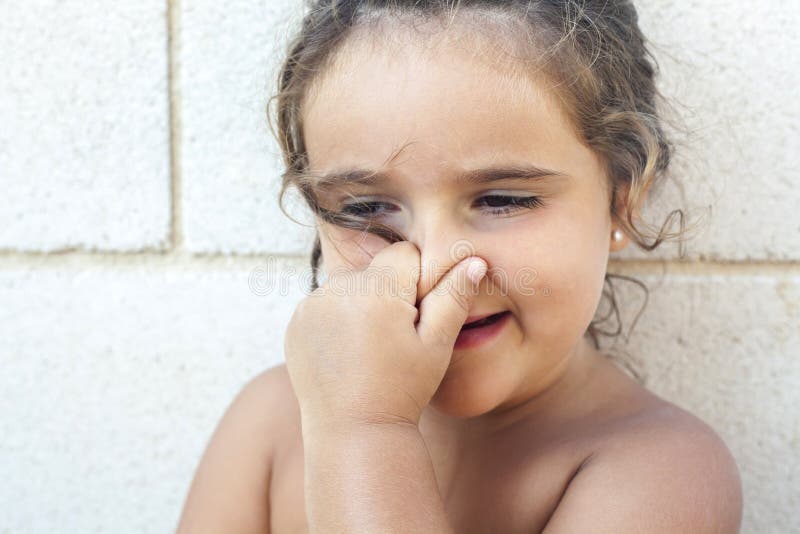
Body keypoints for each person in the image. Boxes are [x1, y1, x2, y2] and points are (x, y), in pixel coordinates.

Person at [177, 1, 743, 532]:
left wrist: (364, 433)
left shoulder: (661, 472)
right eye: (365, 208)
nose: (430, 268)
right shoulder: (269, 424)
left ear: (622, 199)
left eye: (502, 199)